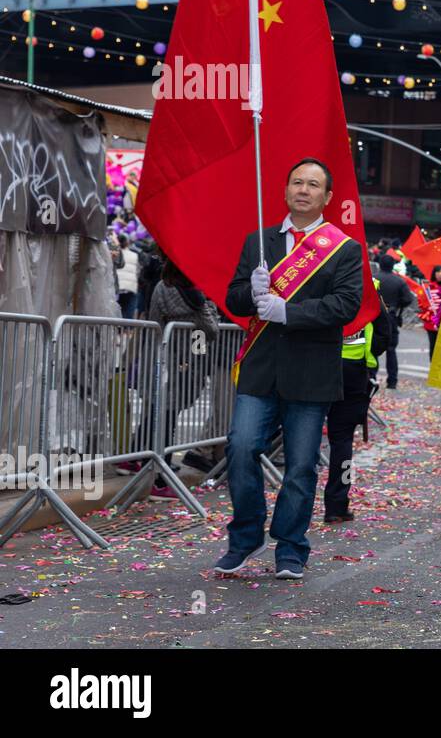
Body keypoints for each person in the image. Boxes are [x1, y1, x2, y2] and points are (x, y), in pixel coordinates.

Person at [214, 157, 364, 580]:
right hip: (261, 369)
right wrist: (250, 292)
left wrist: (289, 311)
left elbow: (345, 305)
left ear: (327, 197)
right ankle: (245, 537)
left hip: (311, 373)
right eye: (296, 182)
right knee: (241, 448)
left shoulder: (344, 249)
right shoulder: (258, 242)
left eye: (313, 184)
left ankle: (291, 547)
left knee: (300, 465)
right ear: (284, 190)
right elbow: (235, 298)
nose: (303, 190)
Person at [148, 257, 221, 496]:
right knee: (170, 413)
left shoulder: (162, 287)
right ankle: (161, 474)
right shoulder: (196, 294)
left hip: (172, 357)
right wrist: (207, 306)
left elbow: (154, 321)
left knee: (166, 413)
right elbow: (211, 330)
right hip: (194, 359)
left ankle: (156, 464)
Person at [324, 278, 392, 524]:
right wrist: (369, 353)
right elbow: (385, 333)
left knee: (305, 440)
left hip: (315, 370)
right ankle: (336, 505)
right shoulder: (371, 287)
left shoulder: (318, 275)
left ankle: (296, 506)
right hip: (353, 374)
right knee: (342, 445)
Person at [375, 254, 415, 388]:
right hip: (391, 316)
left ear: (379, 264)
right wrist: (397, 305)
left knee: (370, 349)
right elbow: (408, 299)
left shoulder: (373, 278)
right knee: (391, 350)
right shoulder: (399, 281)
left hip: (373, 316)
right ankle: (392, 381)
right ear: (393, 265)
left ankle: (371, 376)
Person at [417, 265, 441, 361]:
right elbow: (421, 302)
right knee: (433, 345)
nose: (440, 274)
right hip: (431, 321)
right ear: (434, 274)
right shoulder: (428, 287)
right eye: (437, 272)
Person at [117, 234, 140, 319]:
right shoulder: (135, 255)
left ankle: (119, 330)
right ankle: (127, 330)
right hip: (131, 287)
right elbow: (138, 271)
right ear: (127, 243)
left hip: (118, 287)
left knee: (118, 311)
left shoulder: (115, 254)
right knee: (129, 312)